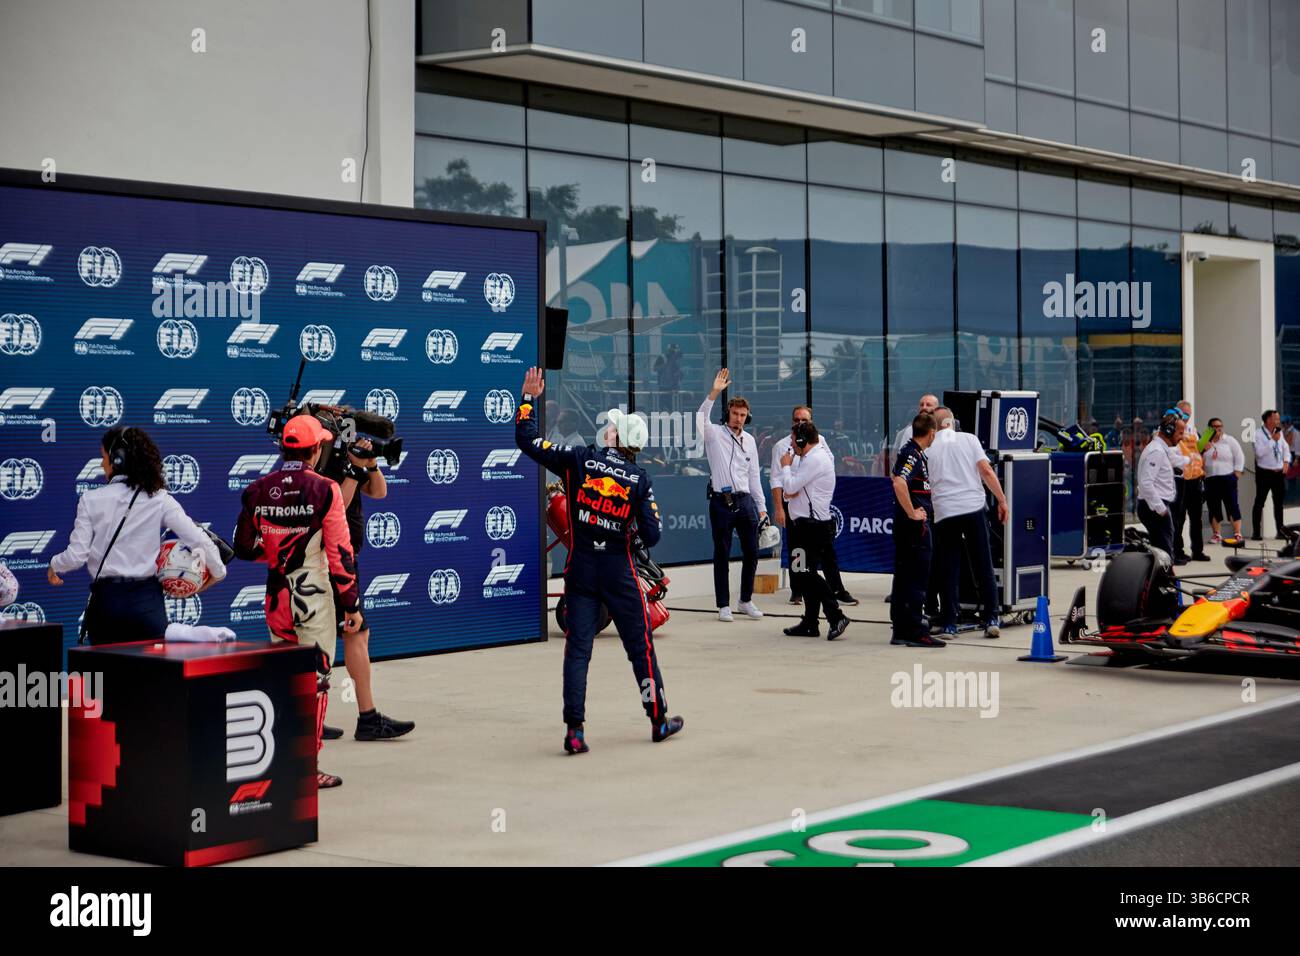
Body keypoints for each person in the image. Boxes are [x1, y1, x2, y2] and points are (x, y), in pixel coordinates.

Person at [515, 367, 682, 754]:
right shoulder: (640, 479)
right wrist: (625, 528)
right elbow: (653, 534)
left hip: (583, 568)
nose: (608, 428)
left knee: (578, 650)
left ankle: (575, 732)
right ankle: (657, 720)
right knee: (639, 647)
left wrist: (528, 400)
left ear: (614, 437)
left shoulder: (579, 459)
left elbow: (526, 440)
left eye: (612, 426)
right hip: (619, 571)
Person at [234, 414, 362, 789]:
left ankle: (280, 757)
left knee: (286, 678)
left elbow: (244, 547)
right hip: (313, 596)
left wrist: (276, 550)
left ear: (283, 447)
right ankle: (306, 766)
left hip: (276, 595)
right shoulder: (325, 489)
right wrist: (351, 605)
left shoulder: (258, 488)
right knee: (317, 680)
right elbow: (340, 551)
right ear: (317, 448)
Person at [48, 426, 227, 645]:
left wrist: (54, 565)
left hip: (106, 605)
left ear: (118, 460)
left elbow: (76, 557)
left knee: (107, 677)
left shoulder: (90, 499)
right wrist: (217, 573)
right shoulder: (159, 499)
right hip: (147, 606)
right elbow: (198, 539)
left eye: (104, 457)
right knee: (150, 676)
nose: (102, 464)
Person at [315, 426, 415, 742]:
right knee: (349, 634)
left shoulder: (350, 462)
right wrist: (354, 470)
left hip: (344, 559)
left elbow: (380, 492)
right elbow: (336, 507)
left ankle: (318, 717)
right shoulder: (325, 467)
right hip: (330, 560)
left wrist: (369, 464)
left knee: (347, 634)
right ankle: (367, 718)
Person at [926, 407, 1008, 640]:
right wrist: (1002, 501)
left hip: (944, 512)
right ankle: (991, 618)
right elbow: (986, 471)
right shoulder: (969, 439)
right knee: (983, 564)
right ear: (953, 422)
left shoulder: (930, 448)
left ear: (935, 426)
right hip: (972, 507)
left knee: (948, 568)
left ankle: (950, 623)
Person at [696, 368, 768, 622]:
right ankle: (723, 604)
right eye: (735, 414)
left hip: (745, 500)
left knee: (751, 550)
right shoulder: (714, 434)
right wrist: (714, 392)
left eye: (742, 414)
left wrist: (762, 508)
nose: (738, 418)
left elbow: (754, 476)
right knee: (722, 553)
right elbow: (700, 418)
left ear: (747, 416)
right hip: (721, 501)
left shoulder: (749, 440)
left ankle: (745, 600)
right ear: (729, 414)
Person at [770, 405, 857, 608]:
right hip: (793, 504)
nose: (800, 424)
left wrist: (799, 483)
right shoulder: (781, 446)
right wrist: (780, 506)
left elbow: (824, 467)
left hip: (812, 510)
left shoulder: (819, 445)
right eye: (796, 420)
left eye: (804, 420)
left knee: (822, 556)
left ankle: (835, 592)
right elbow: (777, 481)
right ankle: (798, 591)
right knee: (796, 552)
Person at [778, 422, 850, 641]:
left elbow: (789, 487)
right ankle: (810, 622)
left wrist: (786, 467)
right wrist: (791, 487)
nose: (790, 444)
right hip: (805, 527)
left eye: (793, 440)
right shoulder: (810, 459)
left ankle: (835, 615)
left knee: (804, 572)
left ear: (802, 441)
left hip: (812, 528)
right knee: (803, 573)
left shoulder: (815, 459)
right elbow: (792, 491)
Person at [889, 413, 943, 647]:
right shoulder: (912, 454)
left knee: (903, 577)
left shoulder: (911, 453)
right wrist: (912, 512)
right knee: (916, 578)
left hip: (907, 526)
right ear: (931, 433)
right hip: (914, 528)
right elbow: (899, 481)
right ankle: (915, 630)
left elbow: (895, 474)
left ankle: (901, 629)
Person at [1137, 414, 1181, 558]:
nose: (1182, 437)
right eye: (1180, 433)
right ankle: (1166, 580)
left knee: (1161, 551)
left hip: (1155, 506)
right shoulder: (1156, 451)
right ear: (1168, 431)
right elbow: (1145, 483)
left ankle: (1161, 579)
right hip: (1154, 508)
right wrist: (1160, 508)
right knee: (1164, 553)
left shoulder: (1161, 449)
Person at [1173, 403, 1207, 562]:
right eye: (1184, 413)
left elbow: (1198, 451)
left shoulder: (1194, 430)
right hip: (1181, 479)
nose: (1186, 416)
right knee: (1179, 518)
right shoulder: (1172, 429)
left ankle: (1198, 551)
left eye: (1189, 413)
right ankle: (1177, 551)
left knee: (1196, 518)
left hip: (1195, 478)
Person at [1202, 417, 1244, 543]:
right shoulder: (1204, 442)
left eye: (1220, 426)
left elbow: (1239, 456)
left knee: (1232, 506)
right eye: (1214, 426)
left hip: (1228, 478)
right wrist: (1204, 449)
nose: (1218, 428)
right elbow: (1197, 457)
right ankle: (1217, 534)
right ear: (1209, 428)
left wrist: (1237, 472)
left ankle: (1237, 533)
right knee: (1214, 507)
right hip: (1210, 479)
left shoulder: (1229, 440)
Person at [1251, 409, 1288, 540]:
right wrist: (1272, 440)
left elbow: (1285, 448)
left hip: (1278, 473)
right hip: (1264, 473)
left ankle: (1280, 531)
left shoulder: (1279, 432)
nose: (1278, 421)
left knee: (1279, 504)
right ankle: (1256, 532)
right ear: (1268, 420)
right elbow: (1259, 453)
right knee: (1259, 502)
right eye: (1276, 419)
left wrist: (1286, 461)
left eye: (1278, 419)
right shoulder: (1257, 434)